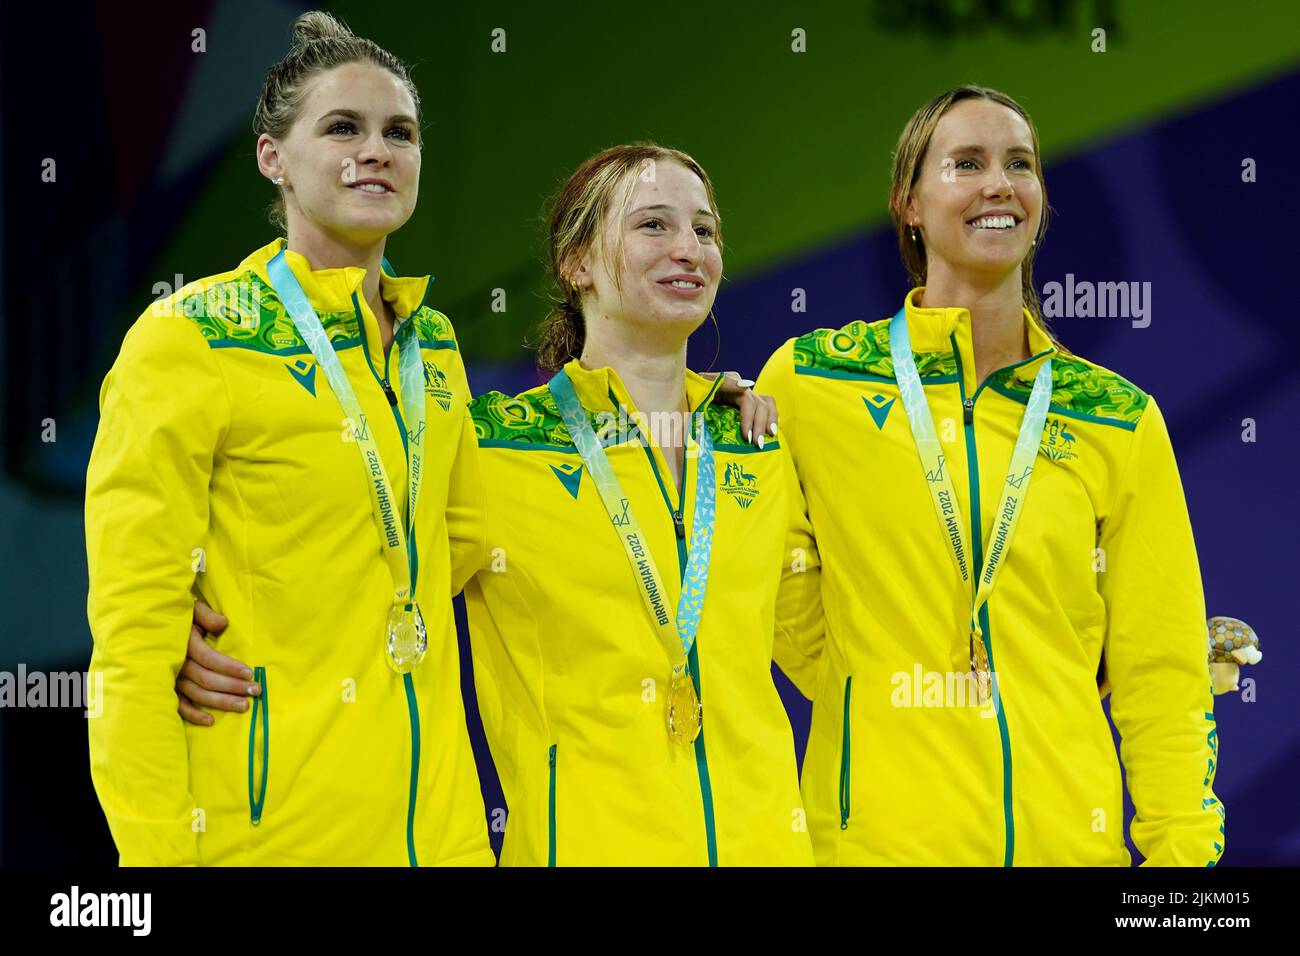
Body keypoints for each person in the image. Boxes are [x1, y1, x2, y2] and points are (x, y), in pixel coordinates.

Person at [179, 142, 815, 866]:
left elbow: (827, 634)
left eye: (705, 230)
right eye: (653, 226)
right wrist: (185, 621)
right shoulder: (489, 447)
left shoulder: (754, 443)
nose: (689, 249)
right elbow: (354, 574)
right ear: (575, 264)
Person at [759, 85, 1224, 866]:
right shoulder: (812, 383)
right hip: (875, 845)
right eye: (966, 163)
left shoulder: (1115, 416)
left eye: (1020, 164)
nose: (999, 185)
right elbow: (762, 572)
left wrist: (1182, 864)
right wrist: (868, 680)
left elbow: (1163, 669)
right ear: (909, 203)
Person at [85, 11, 496, 866]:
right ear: (274, 158)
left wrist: (686, 400)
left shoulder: (436, 347)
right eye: (342, 126)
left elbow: (466, 542)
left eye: (400, 132)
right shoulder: (193, 335)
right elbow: (132, 643)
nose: (376, 149)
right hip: (265, 841)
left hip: (442, 838)